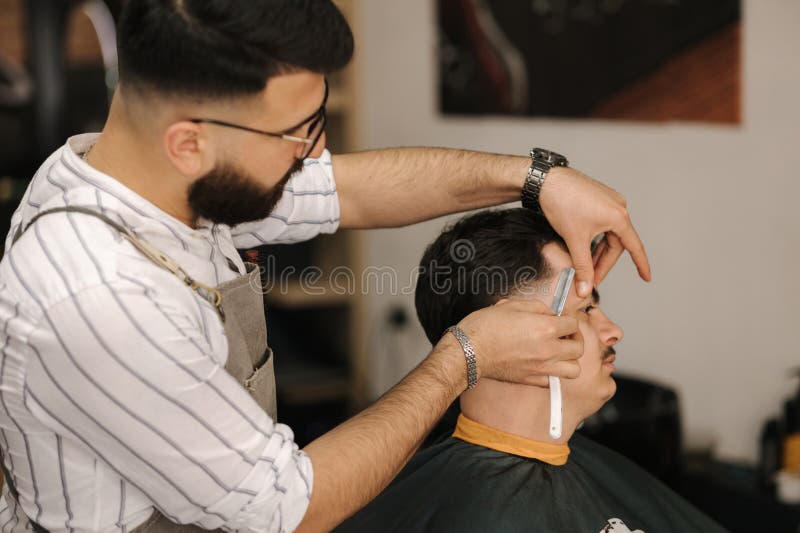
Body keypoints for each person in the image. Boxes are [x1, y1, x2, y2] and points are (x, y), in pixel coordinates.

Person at [0, 2, 651, 532]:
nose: (316, 151)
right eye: (298, 132)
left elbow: (352, 190)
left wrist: (535, 178)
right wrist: (463, 357)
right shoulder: (96, 294)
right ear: (189, 143)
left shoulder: (159, 179)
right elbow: (287, 508)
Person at [335, 208, 726, 533]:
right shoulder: (477, 513)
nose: (613, 331)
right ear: (509, 332)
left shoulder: (596, 468)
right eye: (586, 310)